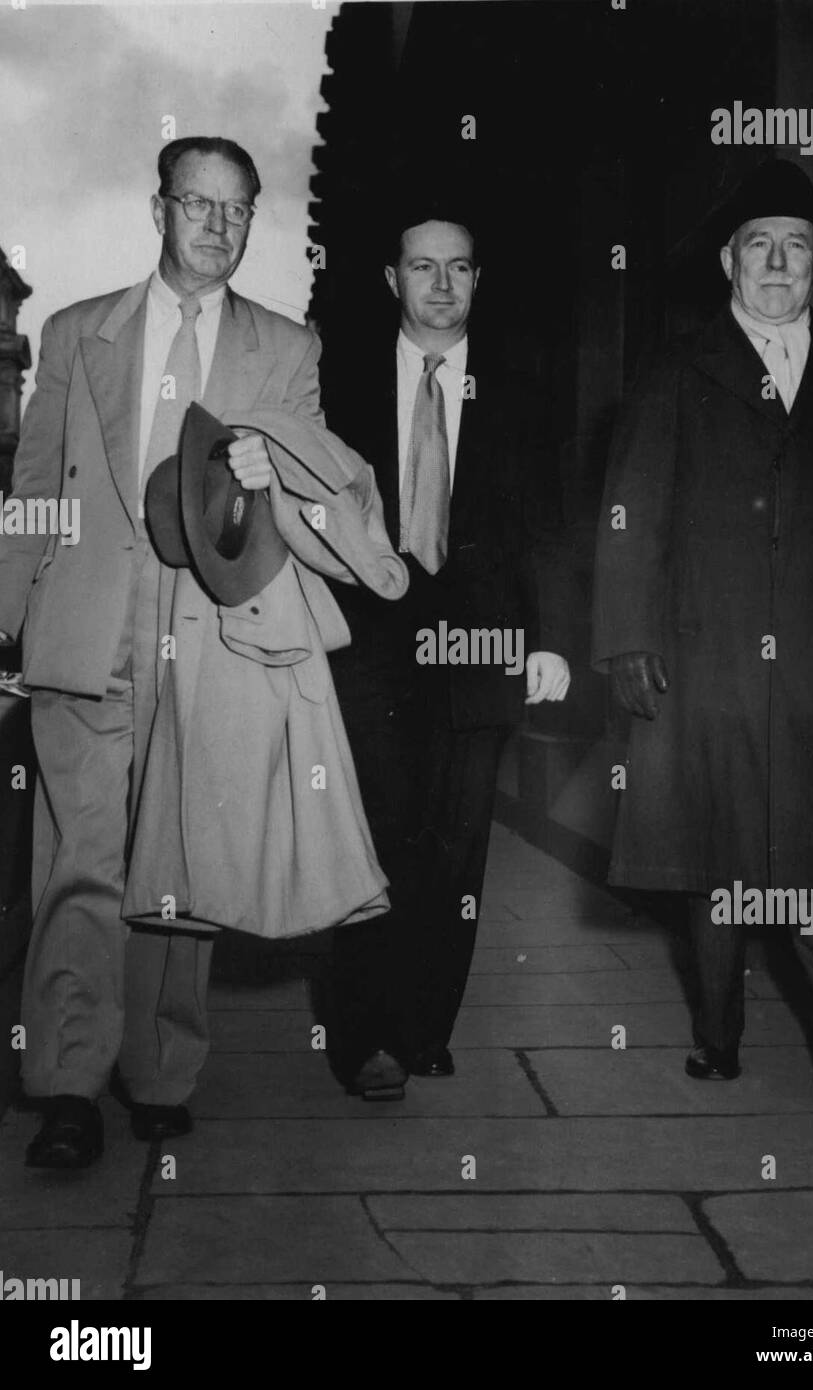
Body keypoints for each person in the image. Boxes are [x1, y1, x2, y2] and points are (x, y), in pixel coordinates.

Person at [0, 136, 331, 1166]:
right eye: (199, 204)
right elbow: (35, 494)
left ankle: (159, 1067)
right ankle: (67, 1081)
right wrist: (7, 618)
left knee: (181, 870)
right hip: (86, 631)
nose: (218, 226)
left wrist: (270, 470)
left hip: (212, 639)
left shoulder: (286, 347)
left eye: (237, 210)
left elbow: (313, 504)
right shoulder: (75, 332)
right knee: (80, 864)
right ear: (159, 209)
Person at [592, 159, 813, 1104]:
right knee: (718, 840)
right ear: (727, 262)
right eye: (758, 245)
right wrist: (626, 638)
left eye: (796, 246)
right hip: (706, 648)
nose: (777, 261)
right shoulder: (673, 369)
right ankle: (718, 1026)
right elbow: (631, 512)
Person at [319, 206, 571, 1098]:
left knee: (456, 849)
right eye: (420, 267)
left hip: (484, 647)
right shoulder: (336, 385)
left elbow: (551, 530)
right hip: (368, 650)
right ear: (391, 279)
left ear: (476, 280)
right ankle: (365, 1038)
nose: (438, 284)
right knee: (372, 837)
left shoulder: (523, 395)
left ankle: (426, 1027)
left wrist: (554, 644)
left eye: (457, 268)